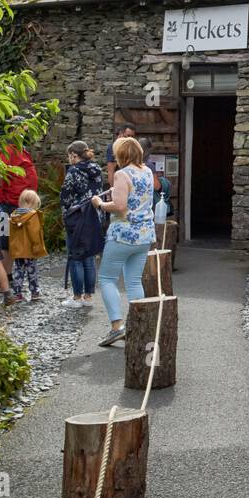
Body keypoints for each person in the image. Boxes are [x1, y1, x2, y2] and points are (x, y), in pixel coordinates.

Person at [92, 136, 155, 347]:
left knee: (107, 278)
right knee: (134, 281)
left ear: (121, 155)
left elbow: (119, 206)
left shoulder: (121, 174)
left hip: (123, 234)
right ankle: (137, 326)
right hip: (144, 235)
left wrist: (100, 203)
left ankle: (117, 327)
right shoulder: (147, 172)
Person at [60, 140, 104, 308]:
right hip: (94, 217)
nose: (69, 159)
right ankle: (88, 297)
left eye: (69, 155)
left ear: (74, 155)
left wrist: (66, 216)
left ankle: (77, 297)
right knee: (89, 256)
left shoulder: (73, 172)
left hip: (77, 218)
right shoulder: (97, 170)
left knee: (76, 257)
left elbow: (66, 197)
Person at [0, 144, 38, 282]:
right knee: (5, 242)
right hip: (9, 205)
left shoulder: (20, 152)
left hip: (19, 205)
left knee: (7, 242)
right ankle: (4, 279)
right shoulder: (8, 152)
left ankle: (6, 278)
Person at [8, 189, 47, 302]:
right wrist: (37, 246)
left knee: (18, 271)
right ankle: (34, 292)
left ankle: (17, 294)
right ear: (34, 202)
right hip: (30, 249)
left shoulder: (13, 216)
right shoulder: (32, 215)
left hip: (17, 250)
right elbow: (34, 233)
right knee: (32, 270)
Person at [105, 123, 136, 187]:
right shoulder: (113, 148)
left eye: (132, 137)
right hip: (119, 183)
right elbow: (111, 170)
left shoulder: (131, 147)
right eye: (128, 136)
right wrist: (113, 188)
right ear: (121, 134)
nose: (130, 139)